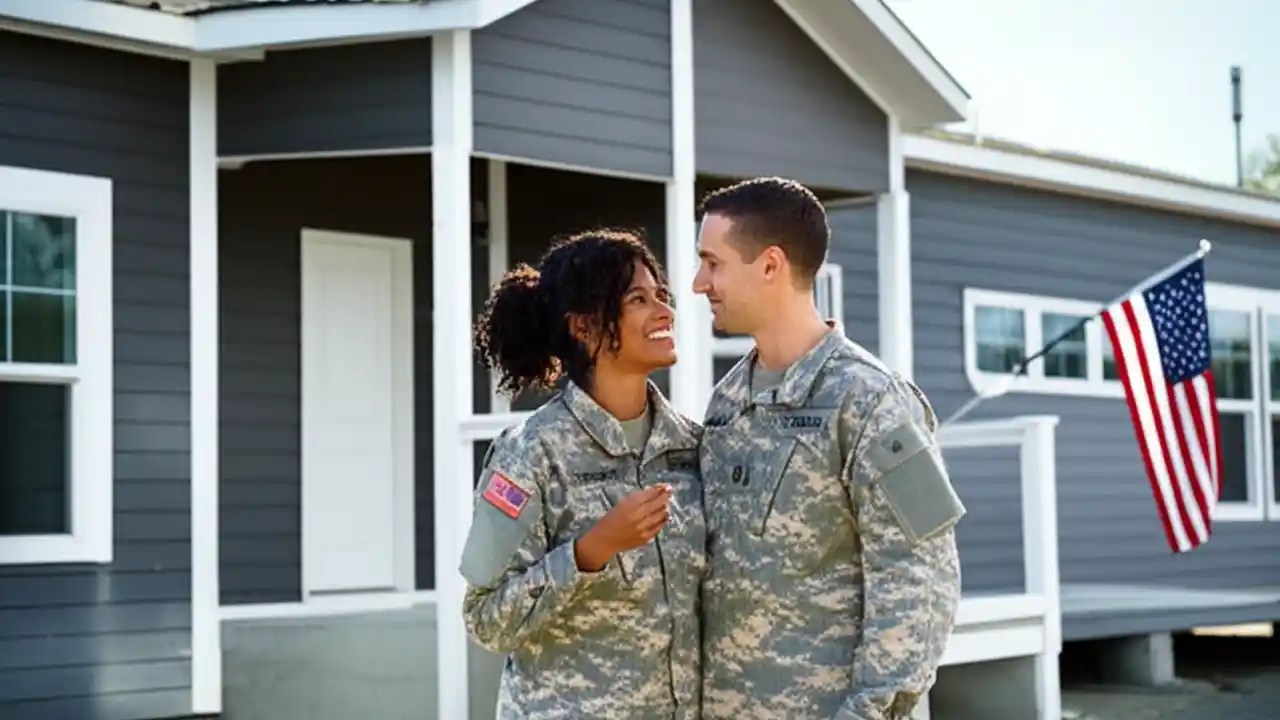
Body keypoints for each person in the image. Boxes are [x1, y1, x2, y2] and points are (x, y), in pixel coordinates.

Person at [692, 177, 965, 720]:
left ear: (770, 265)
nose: (700, 283)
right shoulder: (726, 401)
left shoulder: (870, 399)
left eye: (713, 263)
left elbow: (920, 578)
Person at [459, 229, 705, 719]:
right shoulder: (531, 453)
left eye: (662, 295)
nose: (665, 311)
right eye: (639, 298)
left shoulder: (693, 449)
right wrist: (589, 552)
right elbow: (486, 619)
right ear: (585, 327)